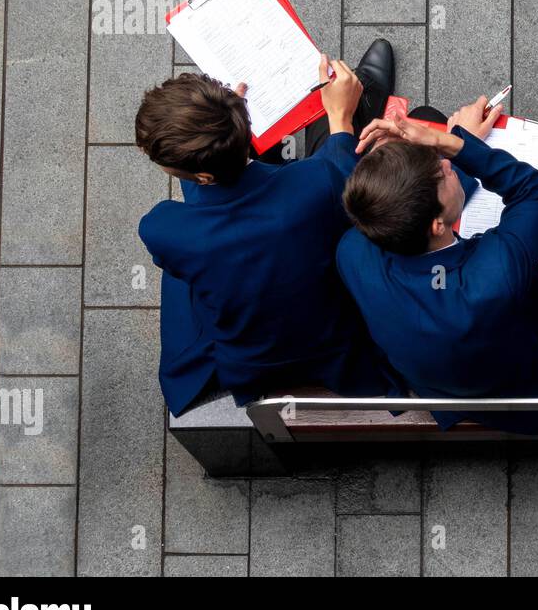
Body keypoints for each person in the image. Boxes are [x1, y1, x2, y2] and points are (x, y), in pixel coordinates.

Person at [135, 40, 399, 415]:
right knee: (334, 153)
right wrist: (341, 120)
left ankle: (242, 160)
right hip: (334, 337)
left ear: (203, 176)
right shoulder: (319, 181)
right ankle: (359, 110)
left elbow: (200, 190)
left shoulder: (161, 228)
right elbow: (343, 174)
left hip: (252, 360)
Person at [337, 97, 538, 433]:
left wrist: (404, 168)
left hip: (440, 380)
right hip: (514, 379)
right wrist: (454, 142)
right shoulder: (494, 276)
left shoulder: (353, 251)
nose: (447, 164)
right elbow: (531, 190)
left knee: (426, 117)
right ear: (436, 225)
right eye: (441, 172)